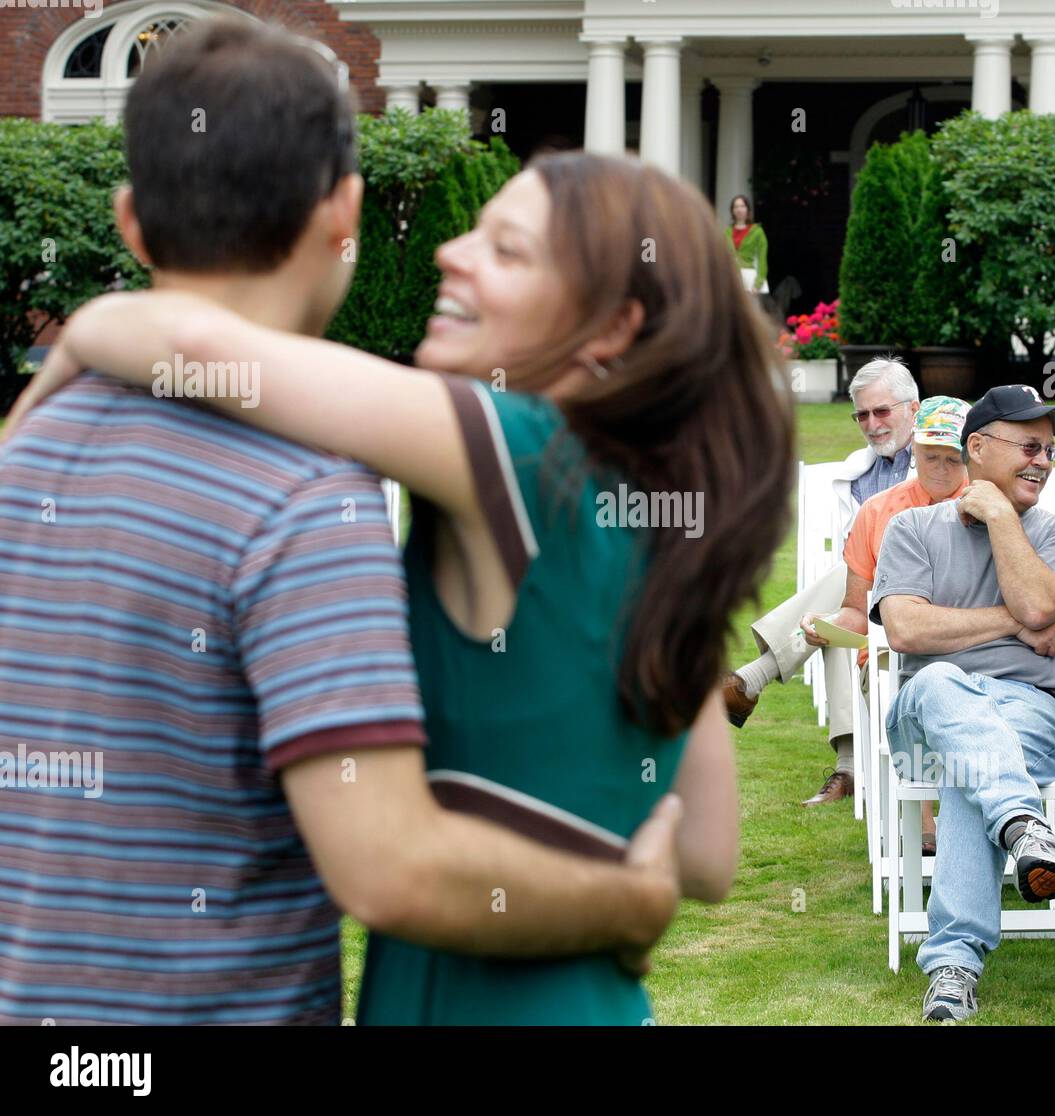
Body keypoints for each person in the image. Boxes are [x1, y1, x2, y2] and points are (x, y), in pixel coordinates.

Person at [8, 67, 795, 1025]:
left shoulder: (525, 451)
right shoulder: (652, 520)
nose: (450, 254)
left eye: (505, 251)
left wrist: (90, 325)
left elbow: (208, 349)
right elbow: (707, 853)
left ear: (610, 328)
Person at [869, 385, 1055, 1023]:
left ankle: (953, 970)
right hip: (926, 720)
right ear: (978, 448)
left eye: (1049, 450)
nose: (1043, 460)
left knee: (972, 770)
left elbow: (1042, 606)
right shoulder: (911, 527)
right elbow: (907, 632)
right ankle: (1025, 825)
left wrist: (999, 517)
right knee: (938, 684)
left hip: (1030, 715)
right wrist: (1015, 625)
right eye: (1029, 446)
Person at [723, 358, 919, 806]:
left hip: (926, 596)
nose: (871, 424)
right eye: (862, 415)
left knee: (848, 589)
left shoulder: (940, 461)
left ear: (914, 407)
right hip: (870, 598)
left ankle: (752, 679)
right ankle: (848, 768)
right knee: (841, 613)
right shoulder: (859, 473)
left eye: (882, 411)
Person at [797, 395, 971, 851]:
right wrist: (830, 623)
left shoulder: (988, 505)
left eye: (954, 458)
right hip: (892, 654)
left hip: (973, 652)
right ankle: (926, 826)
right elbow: (858, 607)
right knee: (892, 681)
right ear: (913, 451)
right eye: (931, 455)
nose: (941, 467)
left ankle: (972, 823)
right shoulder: (877, 511)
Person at [727, 195, 769, 295]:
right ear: (732, 210)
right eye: (736, 207)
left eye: (742, 206)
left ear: (748, 209)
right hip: (730, 279)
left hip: (750, 280)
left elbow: (762, 259)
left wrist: (758, 283)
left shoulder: (757, 232)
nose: (739, 209)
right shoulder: (727, 232)